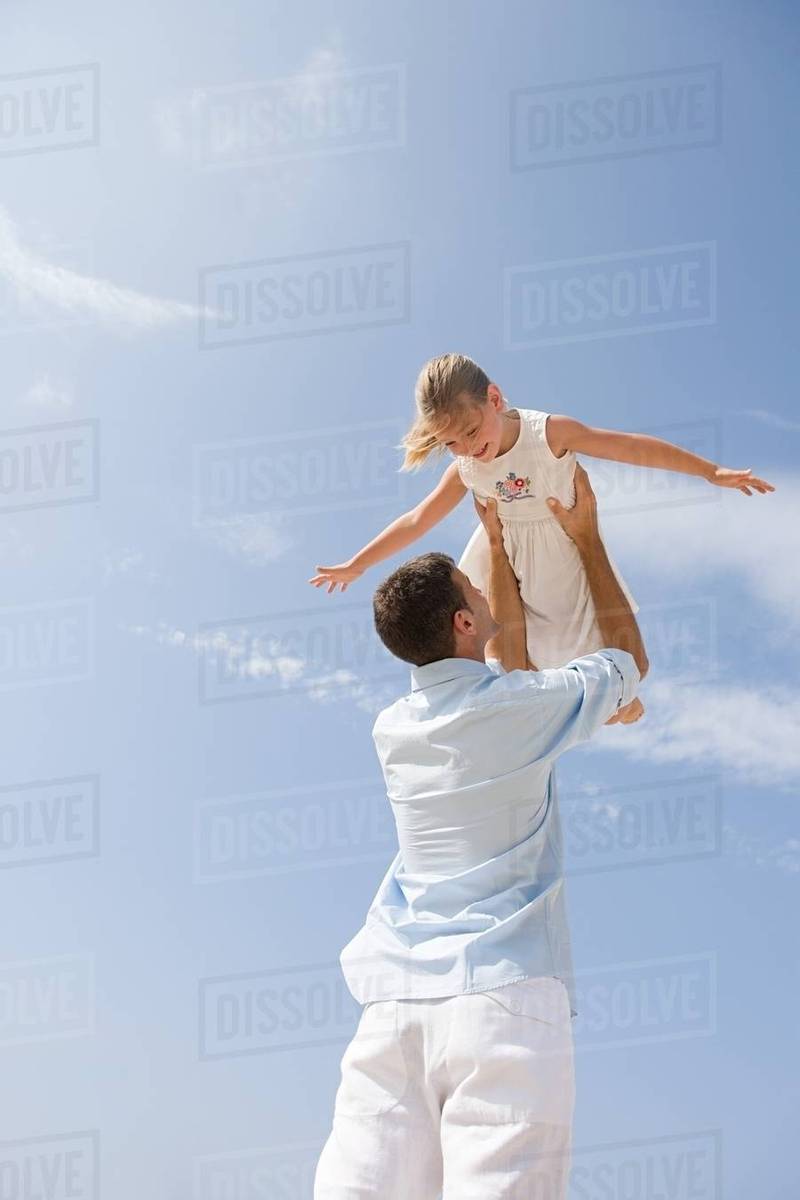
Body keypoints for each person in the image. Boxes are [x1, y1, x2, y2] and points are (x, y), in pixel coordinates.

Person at [314, 465, 649, 1199]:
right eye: (470, 590)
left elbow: (495, 665)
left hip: (393, 1011)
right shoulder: (526, 707)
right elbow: (630, 663)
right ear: (465, 622)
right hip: (505, 1001)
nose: (476, 584)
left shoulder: (393, 729)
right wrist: (587, 542)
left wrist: (495, 546)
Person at [310, 352, 773, 724]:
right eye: (452, 443)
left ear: (494, 398)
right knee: (511, 666)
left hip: (562, 545)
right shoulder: (466, 467)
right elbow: (417, 519)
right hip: (505, 551)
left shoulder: (548, 433)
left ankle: (623, 704)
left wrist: (710, 472)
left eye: (472, 432)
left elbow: (629, 446)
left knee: (593, 648)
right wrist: (359, 563)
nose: (469, 449)